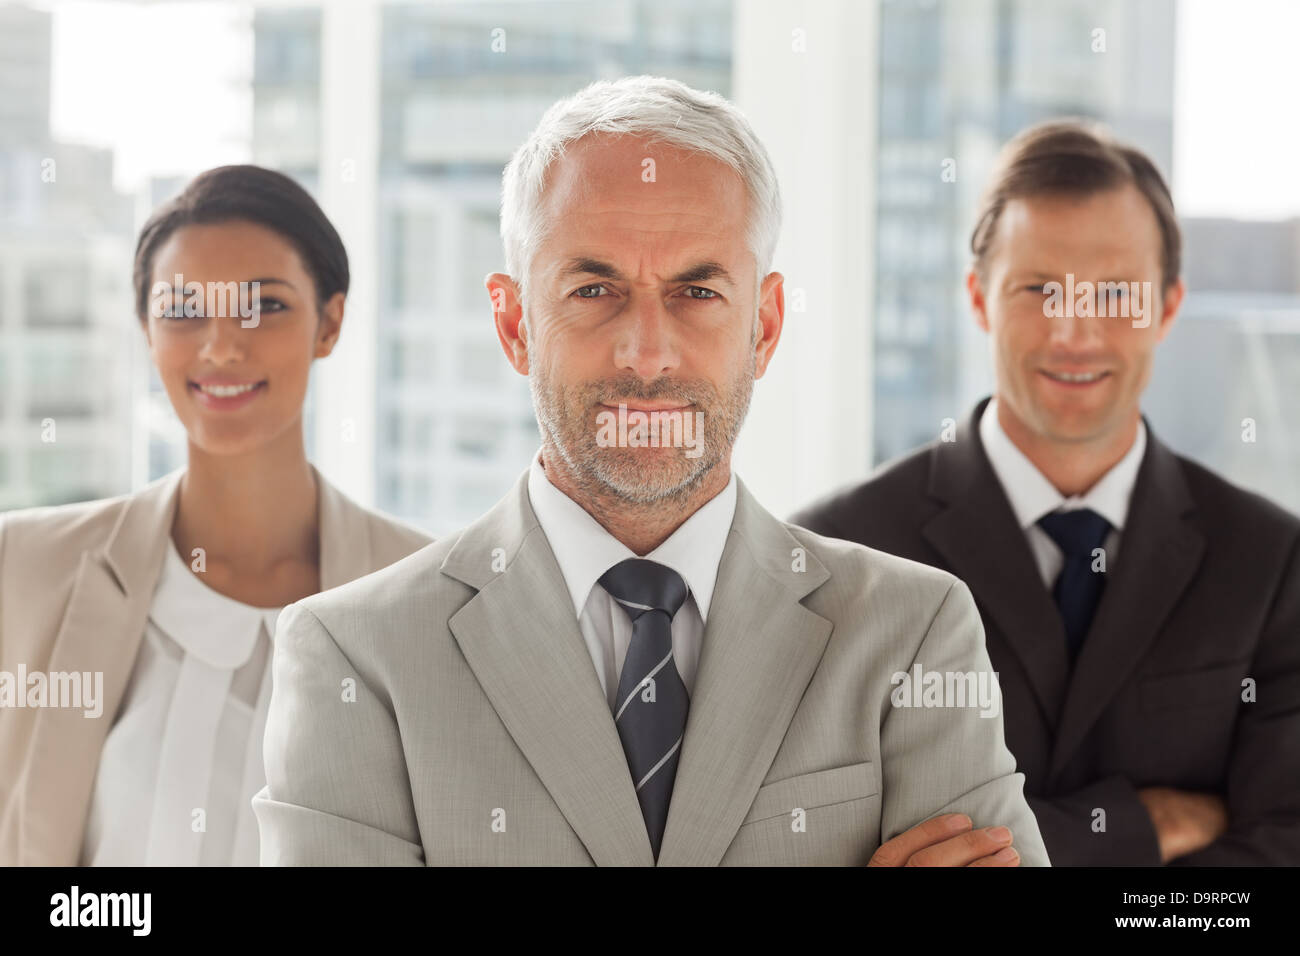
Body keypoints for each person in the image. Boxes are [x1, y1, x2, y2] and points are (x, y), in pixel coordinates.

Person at [253, 76, 1048, 867]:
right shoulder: (357, 656)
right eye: (594, 289)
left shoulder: (912, 634)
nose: (648, 355)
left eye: (697, 291)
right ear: (513, 323)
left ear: (763, 327)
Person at [792, 120, 1300, 866]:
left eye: (1115, 293)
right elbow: (818, 843)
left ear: (1167, 308)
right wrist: (1135, 830)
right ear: (978, 299)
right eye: (1039, 289)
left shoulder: (1270, 561)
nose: (1075, 331)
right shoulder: (837, 553)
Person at [0, 165, 430, 866]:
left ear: (329, 323)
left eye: (262, 307)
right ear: (146, 329)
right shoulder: (23, 568)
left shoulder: (429, 594)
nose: (222, 346)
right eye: (183, 310)